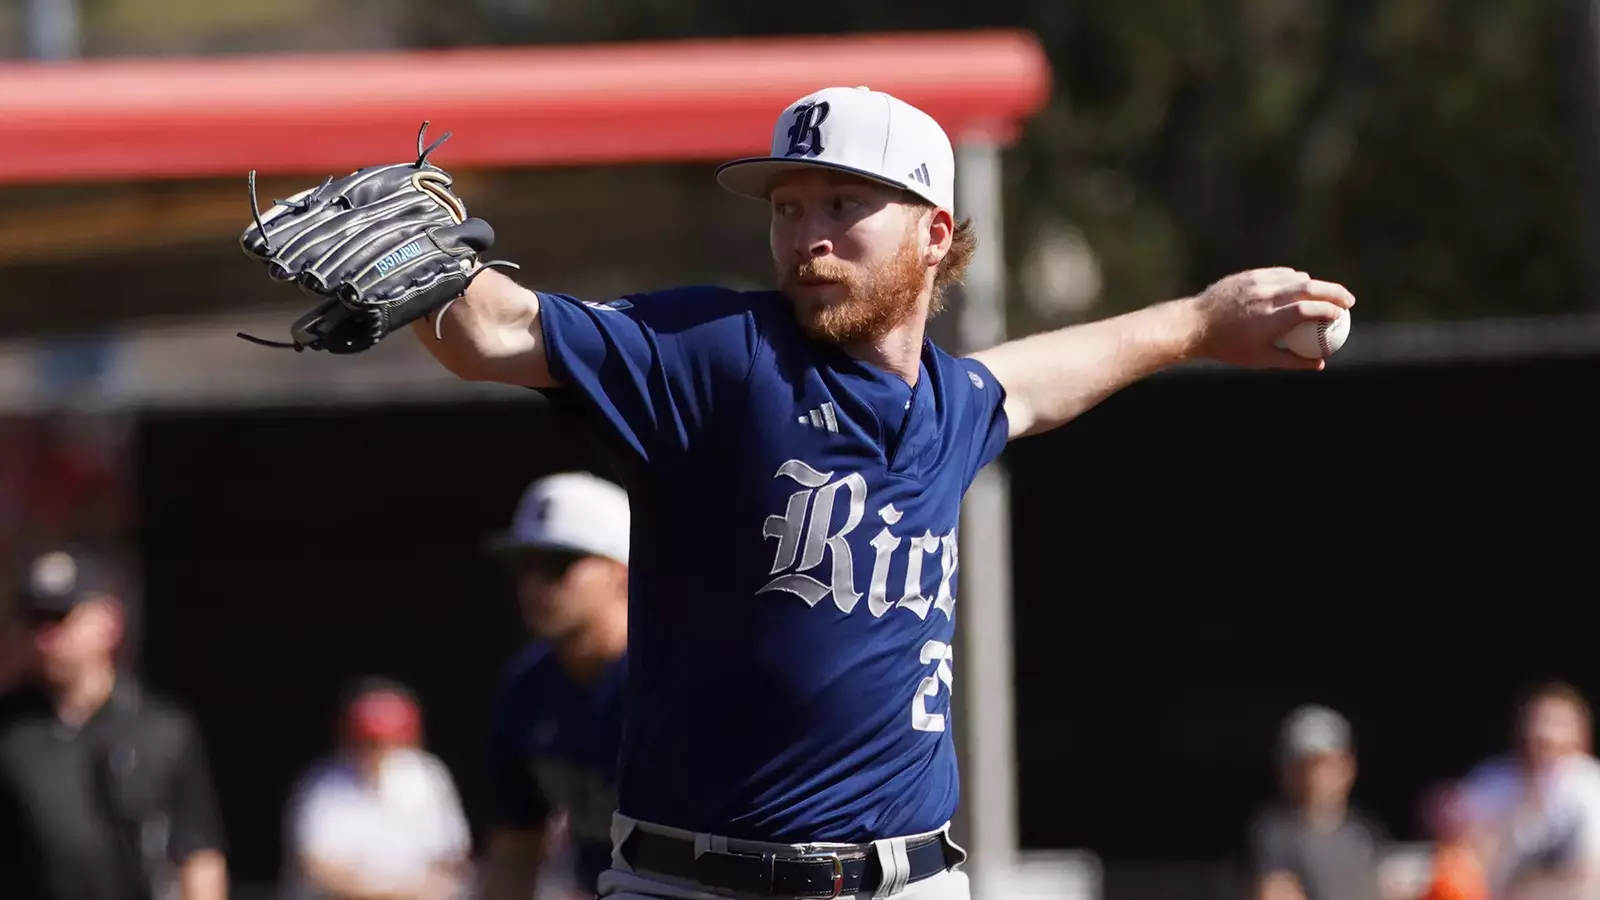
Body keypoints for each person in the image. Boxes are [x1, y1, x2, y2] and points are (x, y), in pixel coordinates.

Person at [268, 84, 1354, 900]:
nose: (808, 234)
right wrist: (447, 283)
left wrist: (1202, 323)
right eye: (788, 207)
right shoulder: (719, 355)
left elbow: (1032, 385)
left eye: (844, 202)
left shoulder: (948, 403)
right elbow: (497, 334)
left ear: (936, 233)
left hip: (907, 882)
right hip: (695, 880)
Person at [0, 545, 229, 900]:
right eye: (35, 621)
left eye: (60, 618)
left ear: (109, 622)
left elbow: (198, 855)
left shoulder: (159, 730)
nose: (46, 637)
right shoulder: (11, 728)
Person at [478, 471, 630, 900]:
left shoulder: (675, 683)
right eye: (523, 565)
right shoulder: (529, 687)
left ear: (622, 573)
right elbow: (516, 846)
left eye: (558, 564)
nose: (533, 584)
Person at [282, 678, 473, 900]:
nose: (377, 752)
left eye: (389, 741)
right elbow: (319, 871)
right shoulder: (322, 785)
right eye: (367, 741)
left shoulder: (429, 776)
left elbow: (453, 860)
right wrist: (396, 893)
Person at [1435, 681, 1600, 900]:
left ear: (1580, 735)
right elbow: (1461, 850)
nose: (1542, 732)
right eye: (1537, 722)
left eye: (1555, 724)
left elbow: (1588, 870)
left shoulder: (1590, 785)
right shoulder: (1492, 778)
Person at [1247, 705, 1397, 900]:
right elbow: (1274, 893)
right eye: (1304, 767)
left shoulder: (1367, 833)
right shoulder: (1271, 835)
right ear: (1285, 772)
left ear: (1348, 766)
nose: (1316, 777)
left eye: (1326, 764)